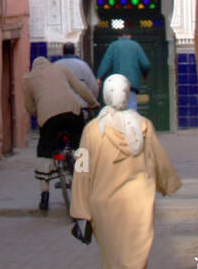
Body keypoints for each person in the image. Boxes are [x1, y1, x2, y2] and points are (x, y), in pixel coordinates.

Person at [70, 73, 181, 269]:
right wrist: (169, 184)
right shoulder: (143, 126)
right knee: (133, 257)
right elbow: (158, 160)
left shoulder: (91, 131)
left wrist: (80, 209)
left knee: (114, 256)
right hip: (139, 204)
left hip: (104, 205)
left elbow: (82, 171)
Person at [23, 55, 99, 210]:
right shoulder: (60, 69)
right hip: (72, 111)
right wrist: (93, 103)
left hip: (48, 118)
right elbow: (80, 88)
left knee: (44, 150)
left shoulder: (28, 79)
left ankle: (44, 193)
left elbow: (29, 106)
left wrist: (38, 113)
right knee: (79, 144)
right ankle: (84, 179)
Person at [96, 30, 150, 109]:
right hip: (132, 84)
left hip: (118, 83)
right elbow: (146, 64)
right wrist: (145, 75)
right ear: (129, 36)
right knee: (131, 109)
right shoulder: (136, 46)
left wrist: (99, 77)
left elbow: (106, 63)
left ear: (119, 37)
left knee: (117, 109)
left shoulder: (113, 46)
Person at [55, 42, 100, 107]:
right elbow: (94, 87)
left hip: (60, 108)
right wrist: (92, 102)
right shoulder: (83, 66)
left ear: (63, 52)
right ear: (74, 52)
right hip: (80, 107)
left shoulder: (55, 66)